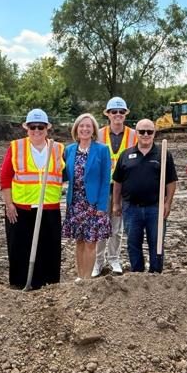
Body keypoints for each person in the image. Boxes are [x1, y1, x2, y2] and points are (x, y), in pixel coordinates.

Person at [0, 109, 65, 289]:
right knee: (20, 247)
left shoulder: (58, 148)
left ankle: (49, 285)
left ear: (47, 129)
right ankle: (20, 283)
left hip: (49, 208)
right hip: (21, 208)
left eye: (41, 127)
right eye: (32, 127)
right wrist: (9, 204)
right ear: (26, 128)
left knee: (49, 248)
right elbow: (5, 178)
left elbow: (66, 174)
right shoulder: (16, 147)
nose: (36, 131)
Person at [112, 119, 177, 273]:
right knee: (133, 243)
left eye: (150, 131)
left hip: (155, 208)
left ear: (155, 133)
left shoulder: (163, 154)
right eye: (142, 131)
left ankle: (155, 274)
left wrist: (167, 203)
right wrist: (116, 203)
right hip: (131, 208)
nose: (146, 134)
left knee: (156, 243)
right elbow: (118, 181)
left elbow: (171, 182)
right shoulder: (126, 155)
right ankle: (137, 275)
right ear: (136, 133)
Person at [62, 113, 112, 279]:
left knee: (91, 243)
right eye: (81, 126)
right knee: (79, 241)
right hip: (75, 203)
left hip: (93, 205)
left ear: (93, 130)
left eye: (88, 126)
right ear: (76, 129)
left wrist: (101, 206)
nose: (84, 129)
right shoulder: (69, 150)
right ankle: (80, 276)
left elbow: (106, 180)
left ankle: (87, 279)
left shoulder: (102, 150)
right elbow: (63, 175)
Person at [95, 96, 138, 277]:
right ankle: (98, 262)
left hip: (123, 188)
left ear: (125, 114)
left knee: (117, 227)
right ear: (108, 114)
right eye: (114, 112)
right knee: (100, 225)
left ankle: (114, 259)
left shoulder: (134, 135)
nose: (118, 115)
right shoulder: (98, 134)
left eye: (121, 112)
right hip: (102, 187)